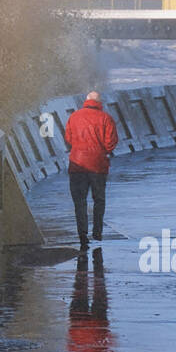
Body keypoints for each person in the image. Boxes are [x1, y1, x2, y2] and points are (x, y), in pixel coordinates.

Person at [64, 90, 119, 250]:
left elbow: (68, 138)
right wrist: (101, 151)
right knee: (99, 199)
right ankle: (97, 232)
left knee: (79, 202)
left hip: (77, 164)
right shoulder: (106, 118)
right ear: (99, 102)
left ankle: (82, 235)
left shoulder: (74, 117)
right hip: (98, 165)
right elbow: (111, 143)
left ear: (86, 100)